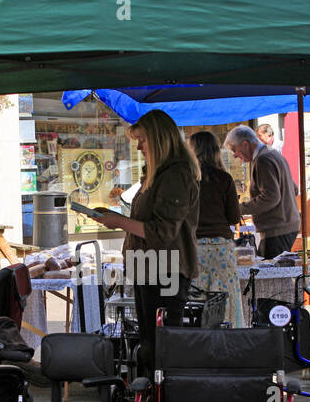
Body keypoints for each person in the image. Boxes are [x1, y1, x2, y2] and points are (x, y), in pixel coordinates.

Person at [86, 110, 200, 376]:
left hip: (165, 270)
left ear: (159, 139)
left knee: (162, 348)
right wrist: (115, 217)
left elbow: (162, 231)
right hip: (150, 267)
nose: (138, 147)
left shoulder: (175, 175)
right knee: (151, 344)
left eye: (143, 140)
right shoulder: (159, 173)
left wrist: (117, 221)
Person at [189, 130, 245, 328]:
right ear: (215, 151)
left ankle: (200, 342)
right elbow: (233, 217)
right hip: (222, 248)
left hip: (194, 248)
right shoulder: (224, 178)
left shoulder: (186, 179)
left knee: (197, 299)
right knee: (226, 298)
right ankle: (230, 339)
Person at [224, 124, 299, 259]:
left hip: (277, 229)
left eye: (235, 149)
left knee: (271, 273)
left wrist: (238, 208)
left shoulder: (263, 160)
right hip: (285, 225)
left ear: (245, 144)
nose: (235, 155)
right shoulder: (273, 154)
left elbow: (271, 197)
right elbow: (294, 189)